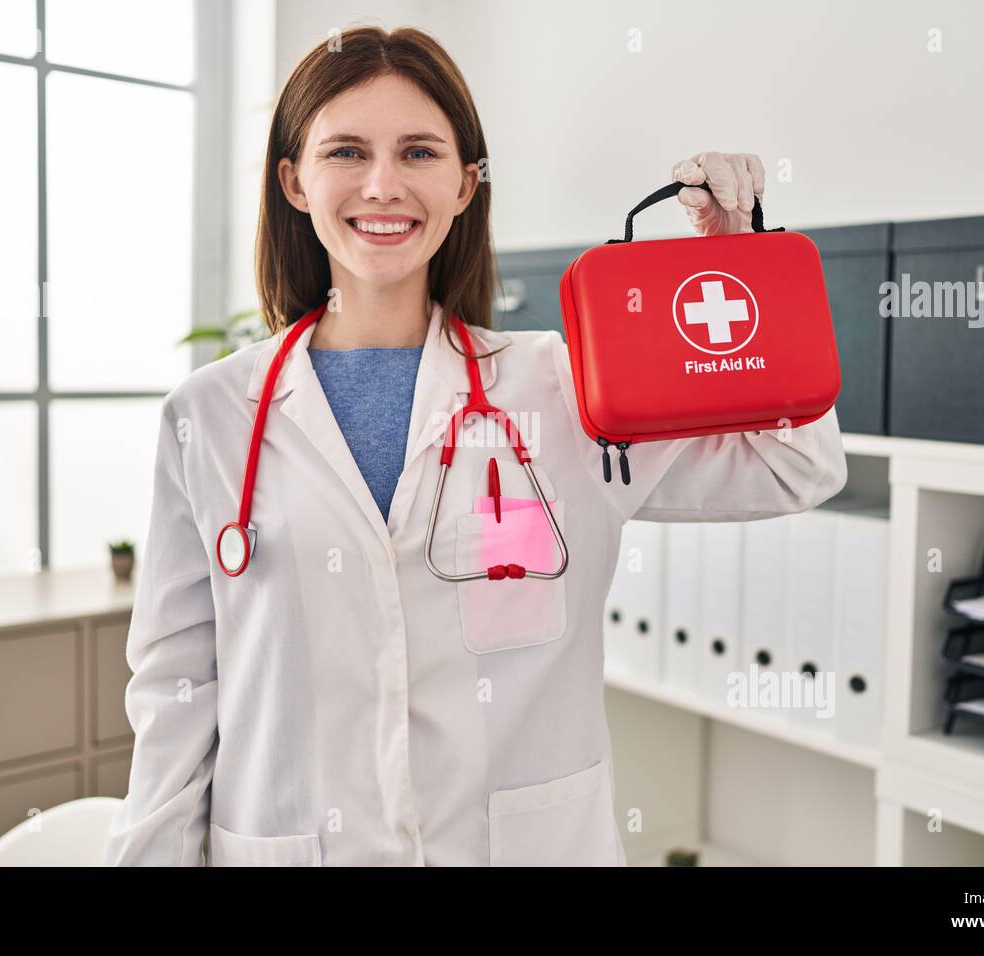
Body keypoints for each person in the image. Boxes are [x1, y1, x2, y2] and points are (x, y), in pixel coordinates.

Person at [103, 25, 847, 867]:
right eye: (346, 151)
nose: (383, 185)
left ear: (465, 184)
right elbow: (175, 694)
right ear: (295, 182)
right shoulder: (210, 416)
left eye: (419, 152)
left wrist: (735, 270)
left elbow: (798, 467)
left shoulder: (567, 390)